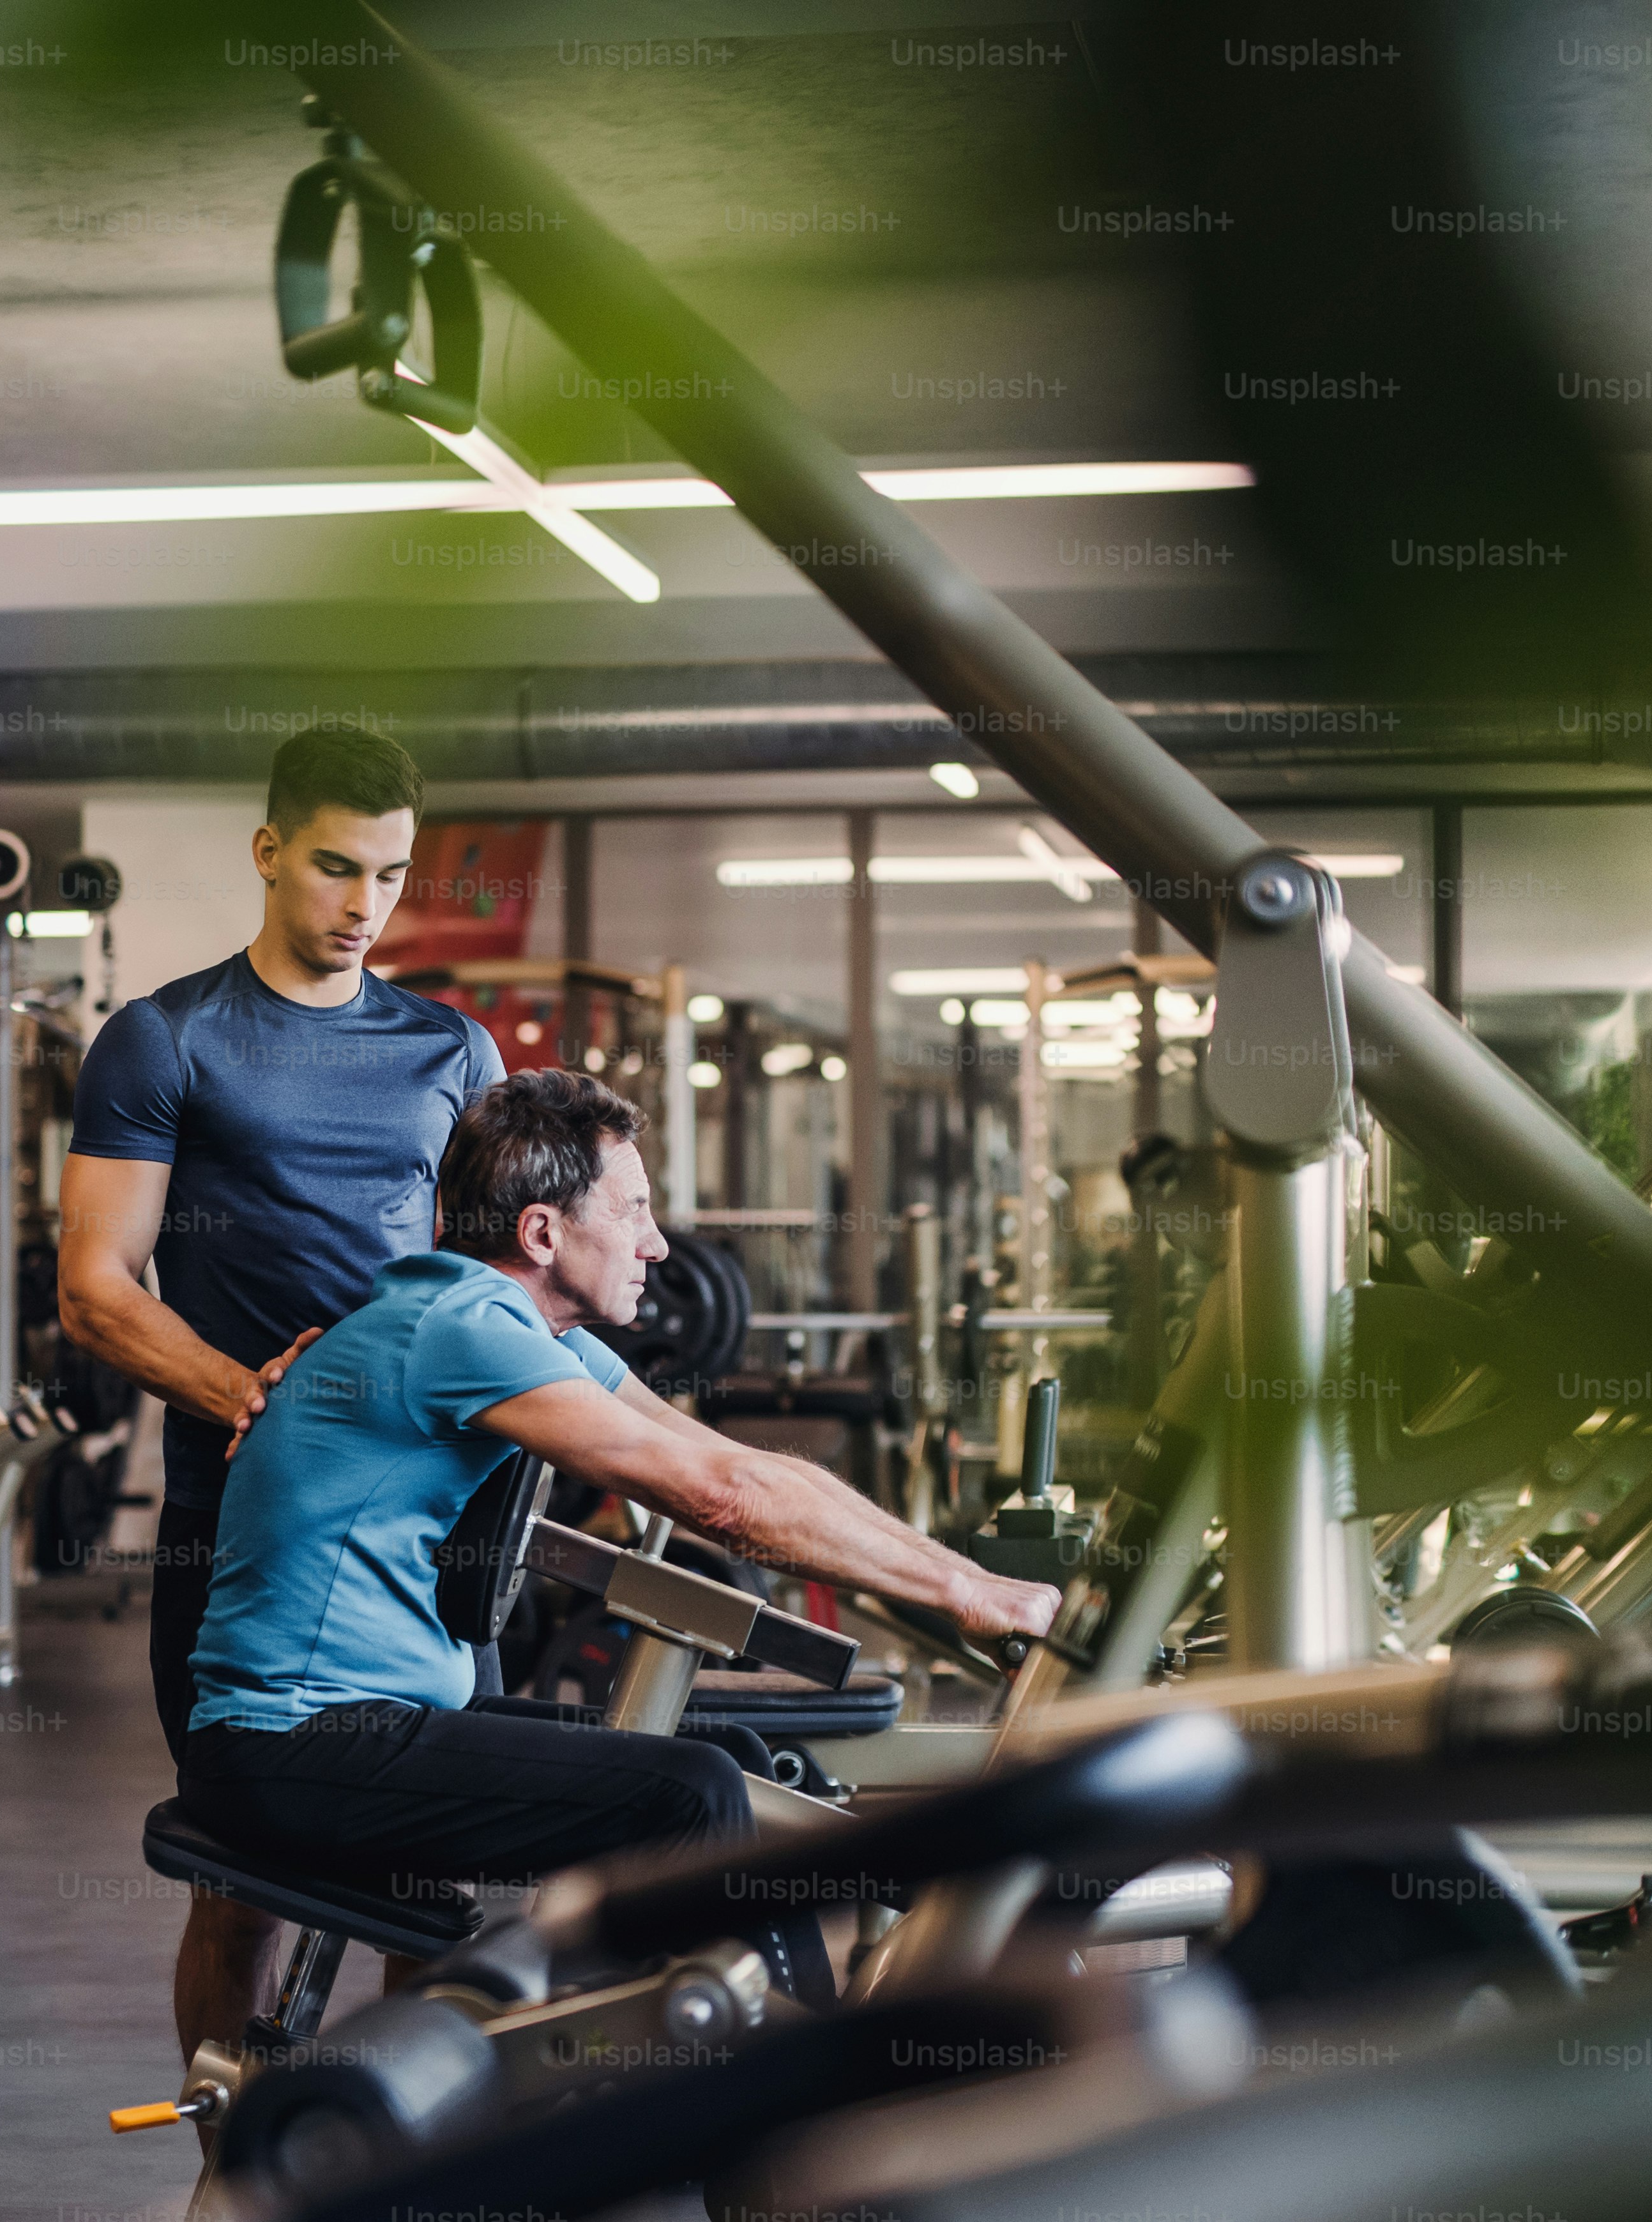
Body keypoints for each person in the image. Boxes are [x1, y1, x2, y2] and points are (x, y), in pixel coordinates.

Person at [170, 1069, 1059, 1995]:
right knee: (692, 1796)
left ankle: (789, 2043)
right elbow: (723, 1502)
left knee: (733, 1765)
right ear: (542, 1234)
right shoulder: (462, 1326)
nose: (658, 1243)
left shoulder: (529, 1330)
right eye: (632, 1211)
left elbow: (732, 1465)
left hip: (371, 1725)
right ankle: (768, 2100)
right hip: (296, 1749)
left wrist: (970, 1586)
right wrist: (971, 1597)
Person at [54, 727, 501, 2061]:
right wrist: (259, 1399)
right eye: (335, 868)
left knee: (434, 1895)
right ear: (267, 853)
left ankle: (409, 2162)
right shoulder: (165, 1041)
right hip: (238, 1531)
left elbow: (493, 1293)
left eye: (392, 874)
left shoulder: (452, 1051)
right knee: (245, 1885)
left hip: (425, 1541)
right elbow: (96, 1286)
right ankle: (232, 2177)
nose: (365, 906)